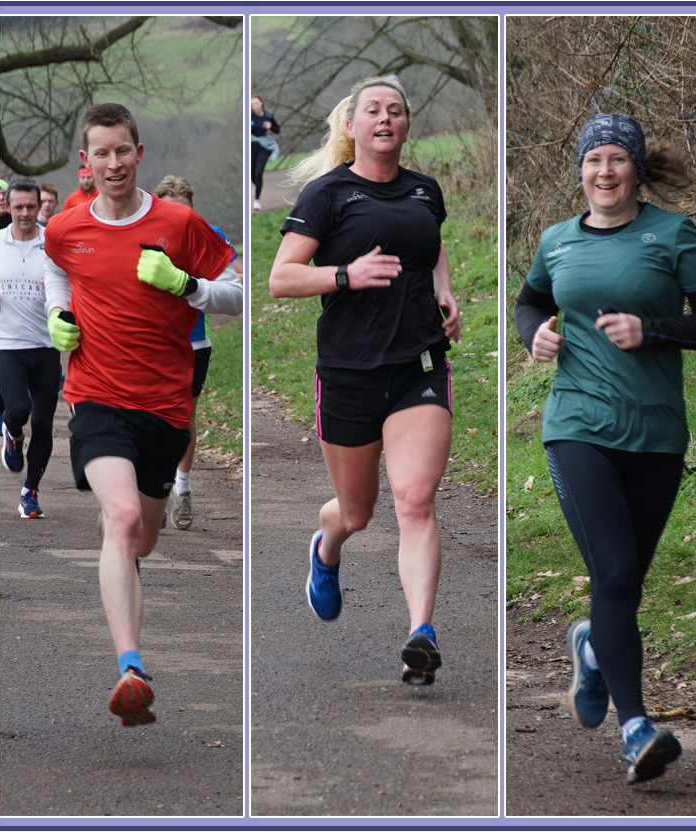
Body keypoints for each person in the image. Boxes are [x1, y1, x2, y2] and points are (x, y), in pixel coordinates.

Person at [514, 112, 696, 783]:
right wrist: (535, 338)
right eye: (592, 160)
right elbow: (528, 303)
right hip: (577, 425)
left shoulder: (673, 234)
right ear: (579, 170)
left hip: (658, 434)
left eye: (615, 159)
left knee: (625, 584)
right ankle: (635, 726)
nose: (603, 172)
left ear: (635, 167)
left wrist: (654, 330)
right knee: (612, 573)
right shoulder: (556, 241)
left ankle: (590, 647)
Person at [43, 103, 242, 726]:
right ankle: (131, 666)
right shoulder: (65, 227)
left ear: (139, 154)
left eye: (122, 151)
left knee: (142, 538)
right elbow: (57, 270)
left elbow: (237, 293)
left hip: (165, 404)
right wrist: (60, 318)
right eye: (100, 153)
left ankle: (128, 581)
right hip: (96, 395)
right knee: (121, 517)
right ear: (86, 162)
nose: (112, 163)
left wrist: (187, 286)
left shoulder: (180, 224)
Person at [269, 76, 461, 689]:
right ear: (351, 127)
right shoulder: (327, 194)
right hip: (349, 374)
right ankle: (326, 549)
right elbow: (281, 278)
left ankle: (420, 636)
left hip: (418, 367)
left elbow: (429, 246)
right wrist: (346, 275)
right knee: (357, 512)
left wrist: (444, 290)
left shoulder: (425, 191)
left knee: (415, 500)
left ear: (406, 126)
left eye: (396, 111)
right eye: (372, 110)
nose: (385, 118)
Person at [152, 174, 236, 530]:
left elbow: (231, 286)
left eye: (186, 212)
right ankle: (154, 491)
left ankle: (182, 489)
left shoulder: (209, 235)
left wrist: (189, 284)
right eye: (172, 213)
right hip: (150, 340)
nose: (181, 220)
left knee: (183, 417)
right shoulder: (143, 235)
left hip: (194, 341)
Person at [0, 177, 55, 518]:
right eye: (18, 206)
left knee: (44, 424)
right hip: (8, 345)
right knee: (18, 408)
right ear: (8, 207)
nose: (25, 212)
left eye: (31, 206)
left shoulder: (53, 243)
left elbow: (73, 282)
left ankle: (29, 492)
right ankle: (12, 432)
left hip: (46, 345)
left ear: (39, 205)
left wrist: (60, 288)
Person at [250, 95, 279, 212]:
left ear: (261, 103)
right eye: (252, 105)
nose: (254, 106)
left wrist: (271, 127)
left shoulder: (268, 117)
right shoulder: (249, 117)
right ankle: (256, 186)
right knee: (251, 174)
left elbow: (277, 130)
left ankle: (257, 200)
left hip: (264, 148)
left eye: (256, 103)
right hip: (251, 147)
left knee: (258, 173)